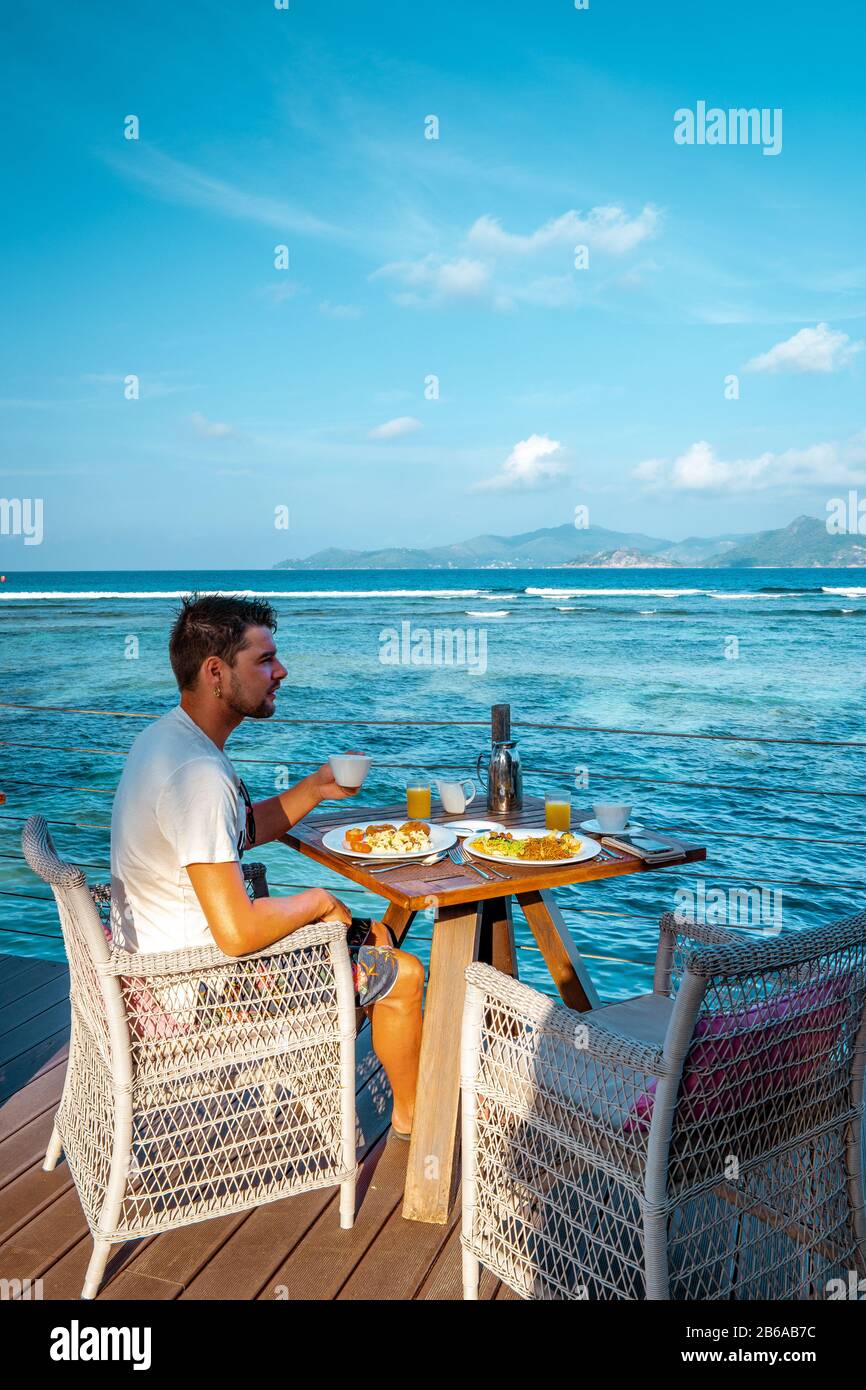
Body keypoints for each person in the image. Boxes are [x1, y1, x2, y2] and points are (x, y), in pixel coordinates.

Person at [110, 592, 423, 1138]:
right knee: (404, 975)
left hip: (155, 971)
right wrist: (319, 902)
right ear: (215, 671)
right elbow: (236, 933)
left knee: (373, 939)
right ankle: (419, 1123)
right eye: (264, 660)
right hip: (196, 994)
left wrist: (315, 789)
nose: (281, 671)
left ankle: (368, 1083)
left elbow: (237, 832)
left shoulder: (167, 740)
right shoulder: (198, 775)